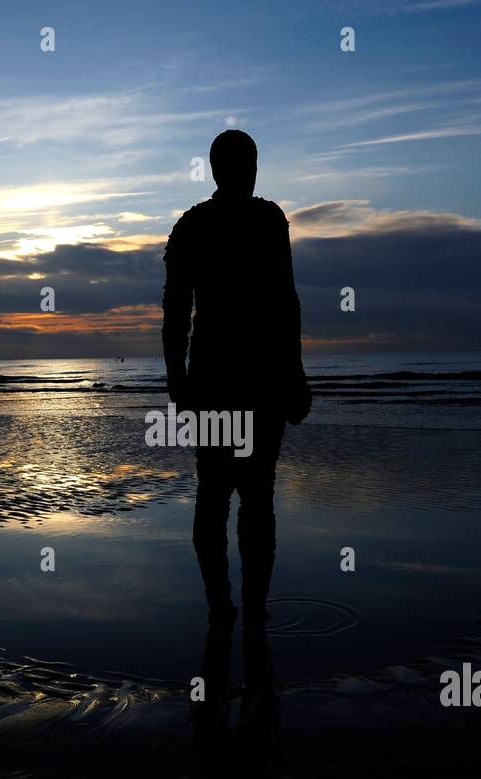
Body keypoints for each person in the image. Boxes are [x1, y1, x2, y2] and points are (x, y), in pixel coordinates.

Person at [161, 129, 311, 656]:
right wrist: (178, 382)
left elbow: (284, 302)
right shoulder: (222, 224)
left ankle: (235, 603)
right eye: (246, 162)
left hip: (235, 380)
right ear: (231, 168)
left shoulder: (221, 223)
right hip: (237, 380)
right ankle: (235, 606)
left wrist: (178, 382)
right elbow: (178, 310)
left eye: (251, 161)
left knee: (229, 495)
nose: (249, 170)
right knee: (235, 496)